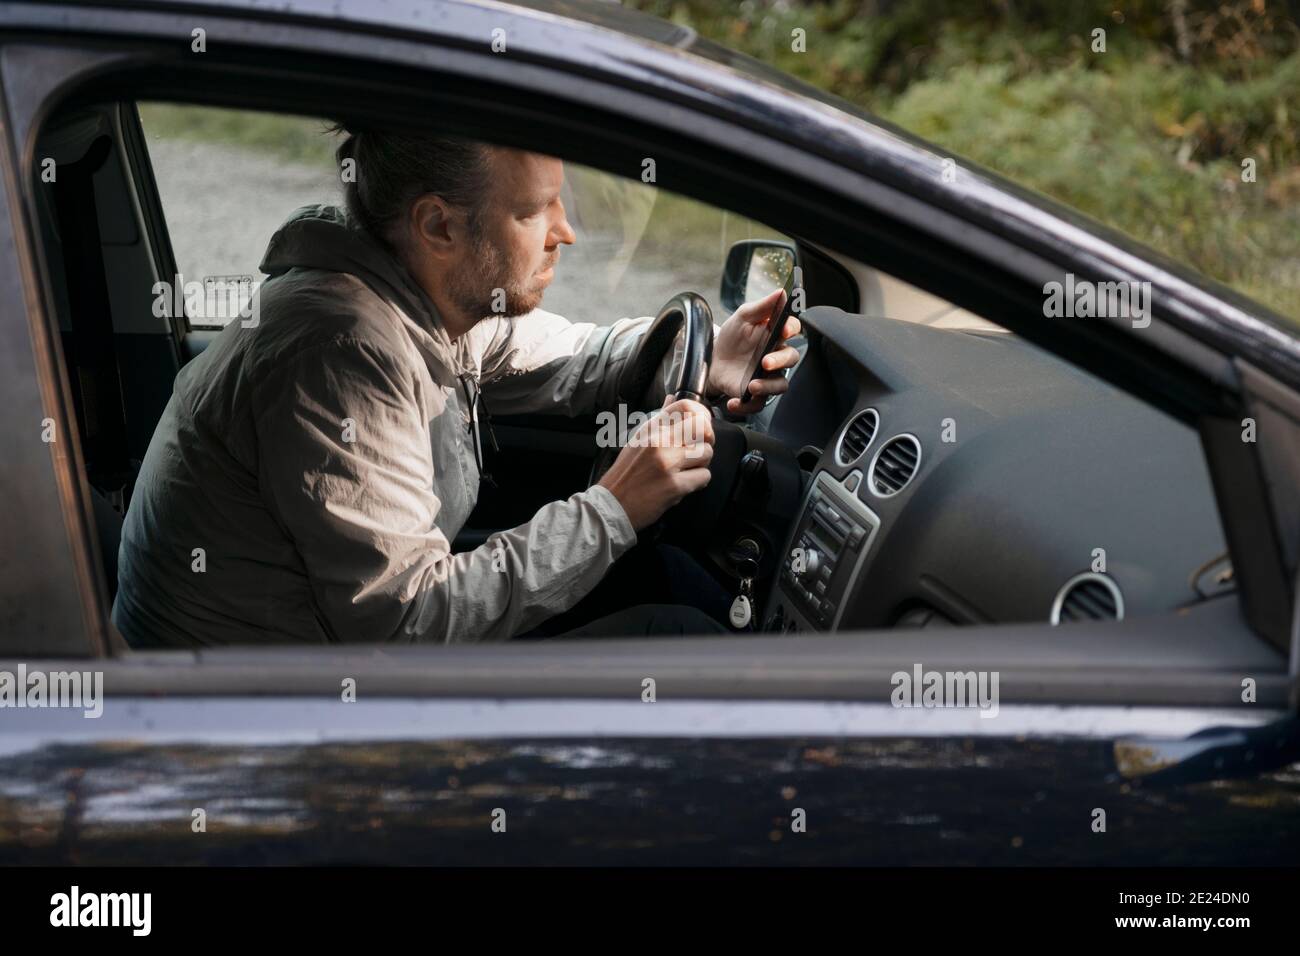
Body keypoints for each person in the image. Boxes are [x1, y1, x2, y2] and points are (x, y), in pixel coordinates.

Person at [112, 129, 799, 647]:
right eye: (534, 212)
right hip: (275, 719)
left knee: (665, 577)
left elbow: (569, 357)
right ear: (439, 225)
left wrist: (703, 356)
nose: (567, 232)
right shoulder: (342, 354)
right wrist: (615, 509)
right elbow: (408, 620)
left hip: (322, 655)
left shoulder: (422, 299)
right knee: (675, 636)